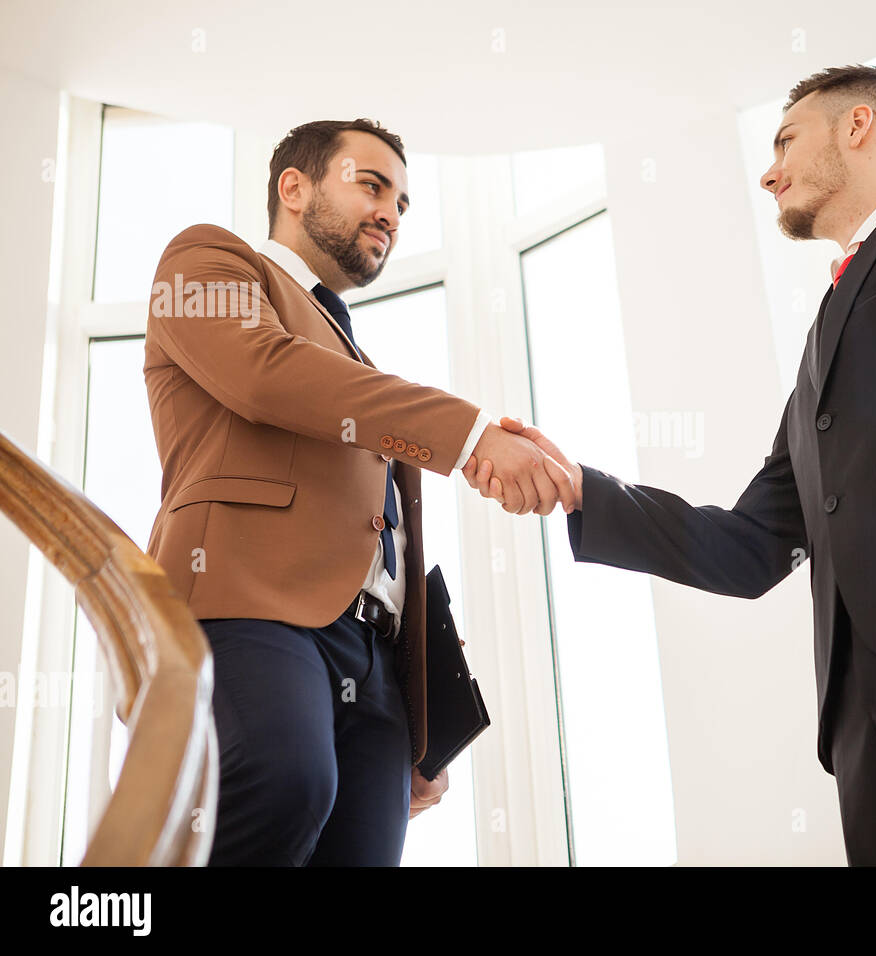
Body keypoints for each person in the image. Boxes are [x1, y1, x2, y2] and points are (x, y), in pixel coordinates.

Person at [466, 65, 876, 865]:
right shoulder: (820, 350)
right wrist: (585, 490)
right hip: (862, 722)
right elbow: (752, 543)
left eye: (786, 139)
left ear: (857, 126)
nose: (769, 168)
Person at [143, 118, 574, 865]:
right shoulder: (207, 258)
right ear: (294, 187)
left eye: (403, 204)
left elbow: (382, 537)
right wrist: (469, 433)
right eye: (371, 185)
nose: (390, 213)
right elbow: (262, 372)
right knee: (282, 785)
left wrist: (419, 697)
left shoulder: (354, 358)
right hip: (248, 606)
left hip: (373, 667)